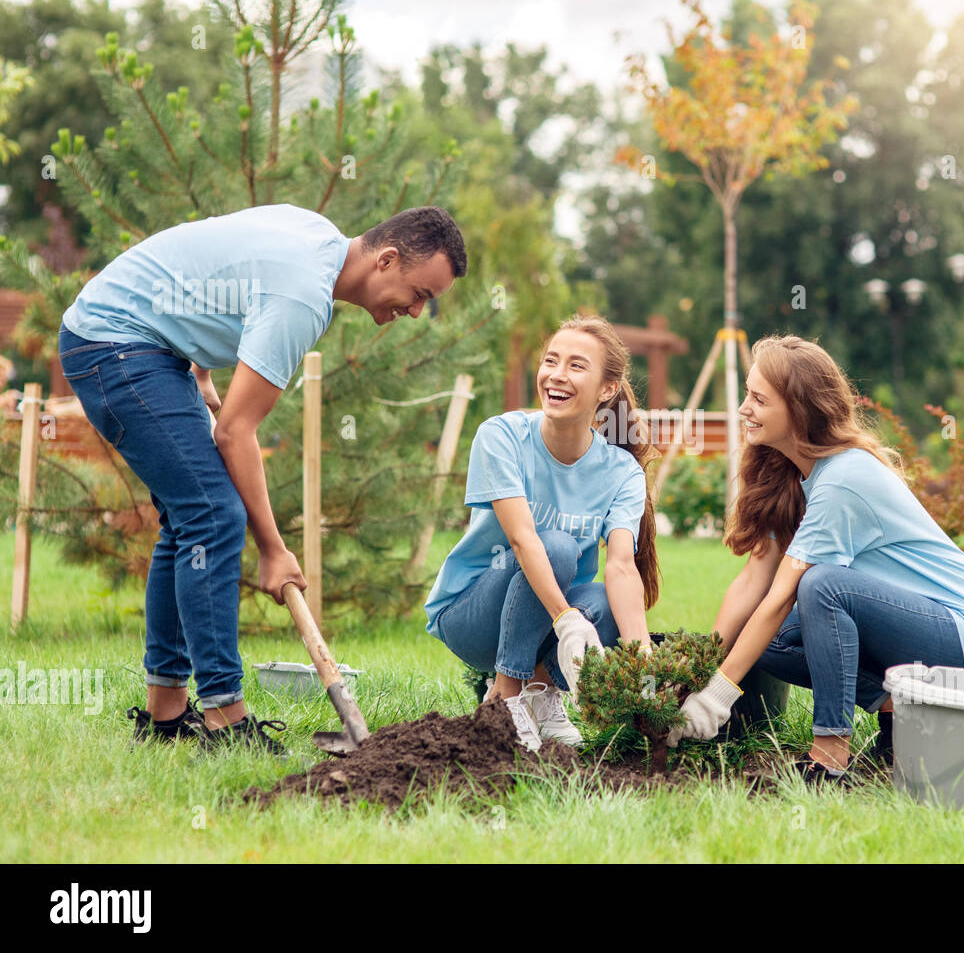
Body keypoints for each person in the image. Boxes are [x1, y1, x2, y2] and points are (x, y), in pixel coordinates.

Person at [59, 203, 466, 753]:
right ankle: (226, 721)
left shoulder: (317, 234)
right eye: (420, 294)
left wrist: (200, 365)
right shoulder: (303, 297)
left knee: (188, 522)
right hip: (116, 342)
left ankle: (165, 717)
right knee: (212, 516)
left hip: (142, 341)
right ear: (387, 259)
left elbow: (213, 257)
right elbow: (235, 433)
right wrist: (274, 551)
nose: (418, 311)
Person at [667, 336, 964, 783]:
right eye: (747, 393)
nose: (744, 408)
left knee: (823, 586)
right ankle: (898, 718)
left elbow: (783, 595)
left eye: (758, 399)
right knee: (765, 642)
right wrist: (698, 669)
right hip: (910, 632)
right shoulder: (791, 473)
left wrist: (716, 697)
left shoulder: (843, 479)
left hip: (961, 634)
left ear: (799, 410)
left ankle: (829, 751)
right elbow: (754, 582)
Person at [424, 315, 660, 750]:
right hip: (474, 614)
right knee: (556, 545)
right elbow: (523, 540)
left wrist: (643, 667)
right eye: (551, 360)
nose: (556, 374)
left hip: (544, 617)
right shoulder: (502, 436)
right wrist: (567, 619)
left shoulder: (621, 471)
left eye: (576, 365)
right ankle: (506, 697)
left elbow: (623, 568)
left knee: (608, 605)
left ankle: (541, 691)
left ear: (607, 389)